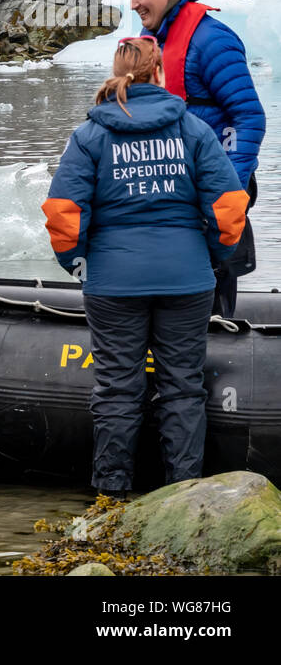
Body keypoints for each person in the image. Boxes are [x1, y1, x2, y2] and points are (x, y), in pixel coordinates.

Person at [42, 38, 248, 498]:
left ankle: (111, 495)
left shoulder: (90, 136)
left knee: (117, 389)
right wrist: (210, 257)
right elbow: (230, 208)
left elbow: (63, 214)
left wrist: (80, 265)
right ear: (160, 74)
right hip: (186, 278)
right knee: (182, 388)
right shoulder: (194, 131)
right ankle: (183, 494)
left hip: (114, 283)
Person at [124, 0, 265, 316]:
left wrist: (229, 188)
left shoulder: (213, 40)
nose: (134, 4)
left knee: (213, 289)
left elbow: (248, 115)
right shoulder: (154, 39)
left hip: (214, 191)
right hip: (172, 192)